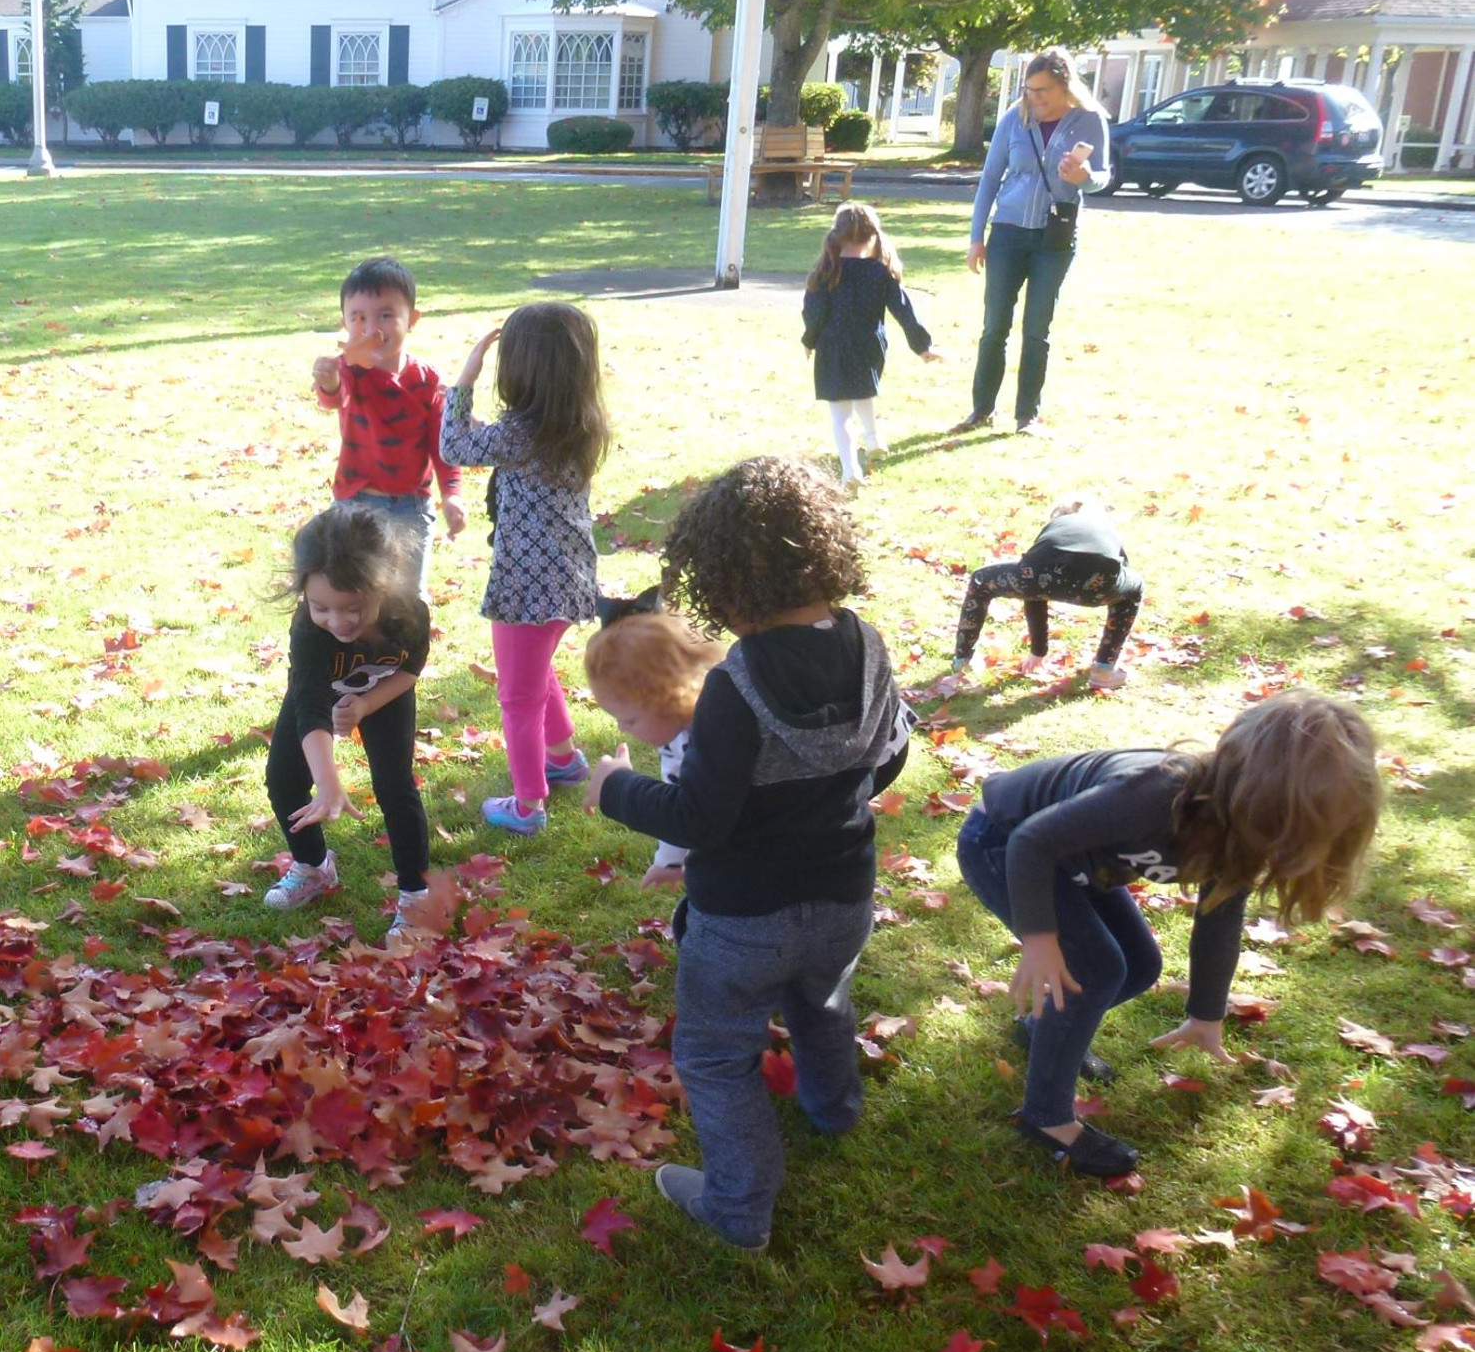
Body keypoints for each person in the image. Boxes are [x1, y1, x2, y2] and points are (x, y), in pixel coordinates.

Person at [582, 458, 911, 1252]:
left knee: (715, 1053)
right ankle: (834, 1108)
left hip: (743, 918)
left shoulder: (735, 684)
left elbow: (702, 814)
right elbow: (890, 755)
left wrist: (615, 791)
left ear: (723, 573)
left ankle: (738, 1206)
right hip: (843, 895)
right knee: (820, 1004)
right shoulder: (866, 644)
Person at [956, 690, 1380, 1179]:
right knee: (1097, 968)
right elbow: (1032, 840)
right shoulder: (1159, 793)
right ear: (1250, 795)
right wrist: (1039, 939)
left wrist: (1206, 1014)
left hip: (1079, 863)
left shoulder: (1244, 833)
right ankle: (1046, 1119)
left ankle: (1040, 1032)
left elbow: (1218, 919)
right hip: (1005, 842)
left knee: (1139, 966)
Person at [439, 303, 611, 838]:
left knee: (517, 695)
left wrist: (465, 377)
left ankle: (527, 804)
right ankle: (563, 759)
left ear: (521, 369)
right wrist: (477, 423)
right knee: (537, 670)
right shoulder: (575, 424)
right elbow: (495, 444)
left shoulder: (519, 434)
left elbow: (453, 446)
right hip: (568, 577)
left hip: (525, 585)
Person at [261, 502, 433, 941]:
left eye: (352, 608)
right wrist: (328, 783)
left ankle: (415, 895)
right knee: (282, 779)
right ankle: (315, 868)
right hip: (317, 693)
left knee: (395, 788)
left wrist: (365, 707)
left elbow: (410, 672)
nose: (337, 622)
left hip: (384, 692)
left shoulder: (407, 613)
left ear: (383, 584)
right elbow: (311, 710)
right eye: (321, 607)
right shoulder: (309, 632)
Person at [959, 50, 1110, 437]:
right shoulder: (1015, 119)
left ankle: (1027, 416)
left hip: (1054, 236)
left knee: (1036, 328)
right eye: (1030, 90)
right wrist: (977, 238)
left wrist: (1085, 176)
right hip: (1008, 231)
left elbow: (1102, 178)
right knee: (995, 325)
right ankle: (981, 409)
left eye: (1044, 90)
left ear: (1065, 85)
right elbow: (990, 180)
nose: (1036, 98)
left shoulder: (1089, 121)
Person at [310, 257, 466, 599]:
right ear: (345, 324)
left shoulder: (427, 381)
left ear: (411, 320)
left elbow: (444, 444)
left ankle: (403, 654)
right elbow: (335, 397)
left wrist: (451, 493)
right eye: (359, 318)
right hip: (356, 504)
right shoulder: (349, 371)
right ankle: (354, 653)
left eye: (386, 315)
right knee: (354, 593)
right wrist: (328, 380)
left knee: (406, 600)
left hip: (411, 507)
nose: (372, 329)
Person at [801, 203, 940, 487]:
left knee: (840, 416)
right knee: (863, 391)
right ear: (872, 236)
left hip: (833, 346)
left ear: (837, 235)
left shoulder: (827, 271)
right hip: (869, 346)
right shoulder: (881, 272)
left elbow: (813, 312)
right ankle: (874, 437)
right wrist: (922, 345)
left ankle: (850, 472)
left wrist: (809, 340)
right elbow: (904, 311)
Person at [582, 611, 722, 890]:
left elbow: (685, 813)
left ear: (670, 699)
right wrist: (670, 862)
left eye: (630, 719)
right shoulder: (692, 722)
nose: (622, 728)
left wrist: (668, 863)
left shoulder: (698, 741)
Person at [951, 494, 1144, 690]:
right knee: (1135, 587)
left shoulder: (1057, 525)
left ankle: (963, 659)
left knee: (981, 580)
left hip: (1038, 577)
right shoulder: (1106, 528)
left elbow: (1033, 590)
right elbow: (1123, 571)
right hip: (1099, 584)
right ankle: (1104, 668)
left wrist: (1038, 650)